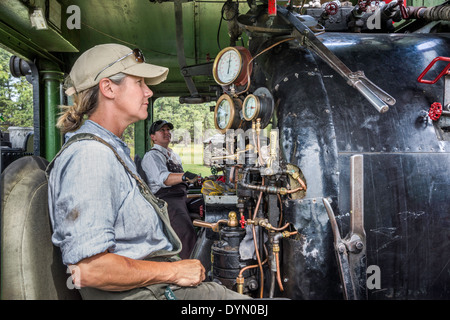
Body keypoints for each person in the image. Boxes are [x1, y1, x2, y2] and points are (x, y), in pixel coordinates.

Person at [46, 43, 249, 300]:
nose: (148, 91)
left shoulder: (111, 151)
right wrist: (174, 272)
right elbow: (91, 271)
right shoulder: (91, 157)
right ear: (108, 88)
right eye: (139, 82)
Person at [141, 120, 202, 259]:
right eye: (162, 130)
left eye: (168, 130)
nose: (167, 133)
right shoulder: (152, 156)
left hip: (181, 197)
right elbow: (164, 179)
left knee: (208, 208)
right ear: (153, 137)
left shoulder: (173, 155)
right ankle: (190, 265)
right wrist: (184, 176)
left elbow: (181, 180)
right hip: (166, 200)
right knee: (186, 233)